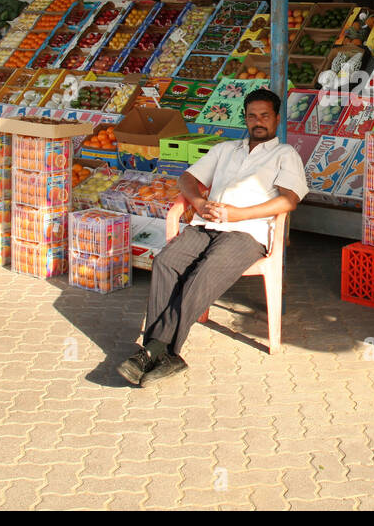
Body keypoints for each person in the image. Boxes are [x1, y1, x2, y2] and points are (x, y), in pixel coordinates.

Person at [119, 87, 308, 387]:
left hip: (247, 234)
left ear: (276, 119)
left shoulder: (285, 154)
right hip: (206, 227)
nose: (258, 122)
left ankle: (153, 350)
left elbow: (289, 201)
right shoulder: (225, 149)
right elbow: (187, 179)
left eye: (265, 116)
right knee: (166, 262)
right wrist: (198, 203)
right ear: (244, 119)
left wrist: (238, 215)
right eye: (252, 116)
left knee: (202, 275)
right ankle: (166, 356)